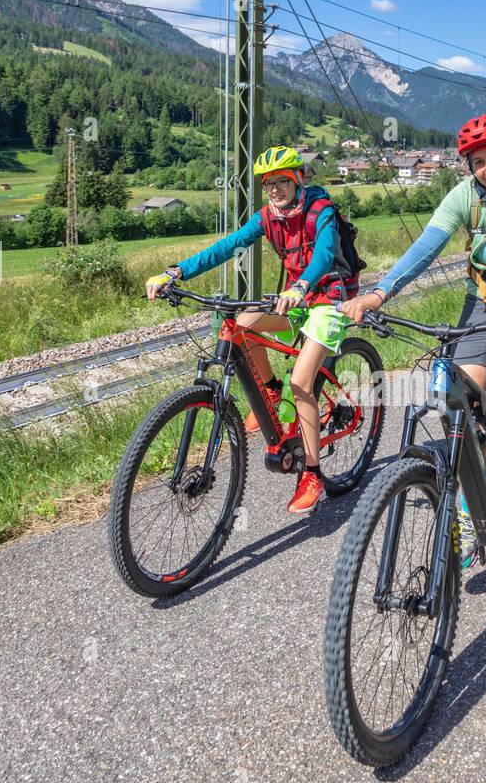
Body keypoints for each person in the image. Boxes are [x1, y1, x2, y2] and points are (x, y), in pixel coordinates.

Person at [339, 114, 486, 568]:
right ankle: (468, 509)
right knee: (458, 398)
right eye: (479, 162)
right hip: (484, 296)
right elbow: (427, 245)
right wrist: (380, 292)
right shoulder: (465, 195)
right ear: (469, 166)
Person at [145, 146, 358, 515]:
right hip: (295, 298)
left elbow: (324, 255)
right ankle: (272, 395)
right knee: (242, 324)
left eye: (282, 182)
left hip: (327, 297)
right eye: (268, 184)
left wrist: (301, 287)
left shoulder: (320, 212)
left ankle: (312, 474)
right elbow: (228, 246)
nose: (274, 189)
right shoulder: (268, 217)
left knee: (302, 382)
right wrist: (176, 272)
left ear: (298, 180)